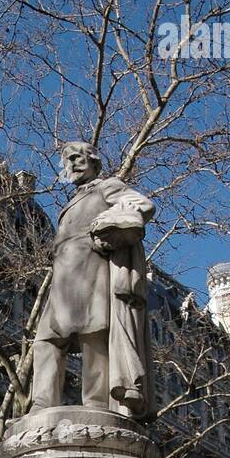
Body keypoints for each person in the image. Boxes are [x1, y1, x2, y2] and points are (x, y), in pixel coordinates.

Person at [32, 141, 155, 417]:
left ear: (94, 161)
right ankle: (41, 404)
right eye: (68, 161)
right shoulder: (73, 199)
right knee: (46, 340)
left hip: (92, 273)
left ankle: (96, 404)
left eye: (78, 158)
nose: (72, 164)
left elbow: (142, 205)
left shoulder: (107, 186)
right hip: (62, 279)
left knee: (93, 335)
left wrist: (111, 219)